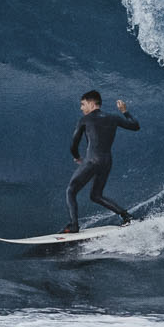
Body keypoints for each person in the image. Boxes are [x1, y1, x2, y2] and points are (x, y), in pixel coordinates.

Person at [63, 89, 138, 232]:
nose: (81, 108)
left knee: (71, 191)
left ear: (91, 104)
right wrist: (125, 111)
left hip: (92, 160)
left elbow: (74, 144)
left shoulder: (84, 120)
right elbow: (135, 126)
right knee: (96, 195)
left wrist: (77, 157)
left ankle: (74, 225)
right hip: (106, 161)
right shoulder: (113, 118)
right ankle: (126, 216)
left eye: (83, 104)